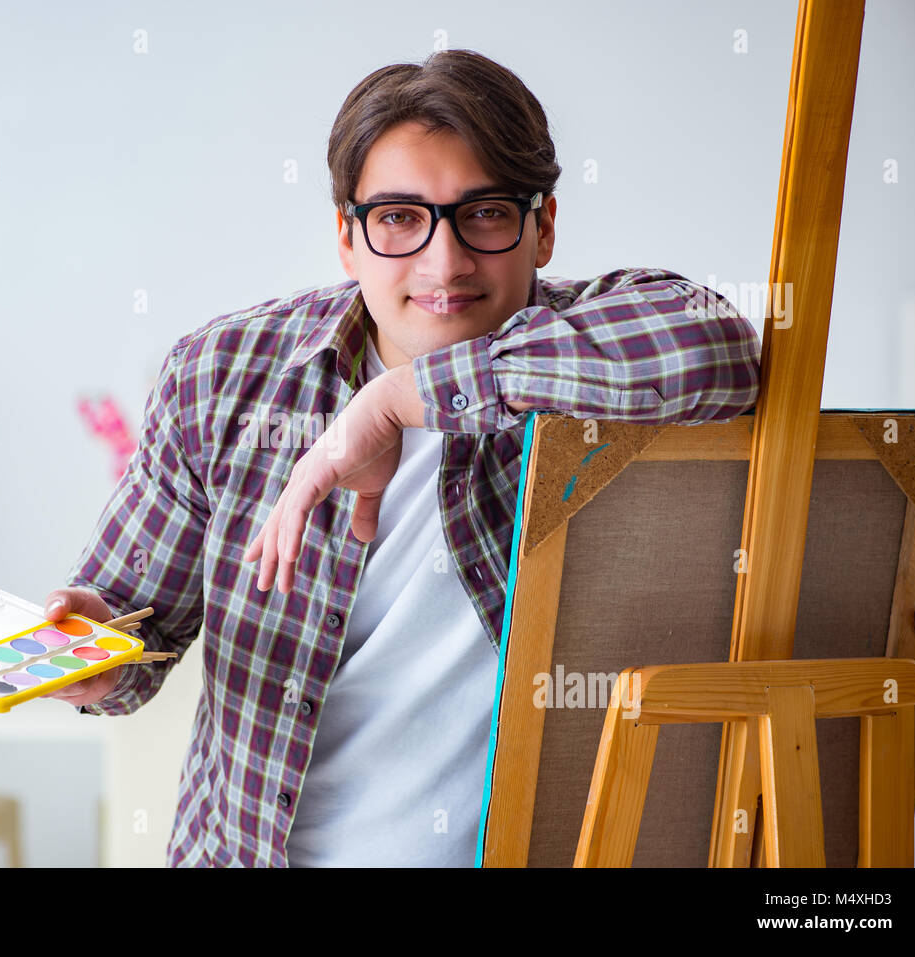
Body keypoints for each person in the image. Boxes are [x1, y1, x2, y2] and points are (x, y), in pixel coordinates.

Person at [41, 49, 761, 867]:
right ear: (347, 238)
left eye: (484, 213)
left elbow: (719, 350)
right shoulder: (222, 375)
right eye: (398, 218)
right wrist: (94, 655)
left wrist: (396, 400)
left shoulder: (591, 353)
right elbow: (136, 624)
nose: (444, 262)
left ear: (544, 226)